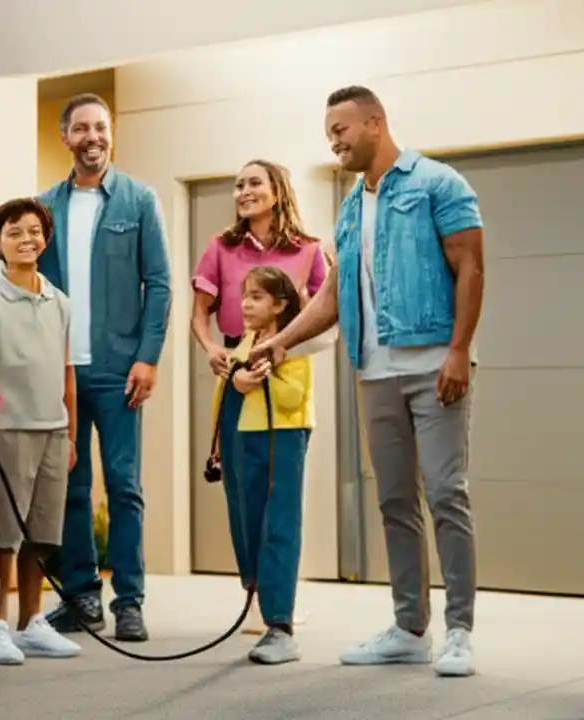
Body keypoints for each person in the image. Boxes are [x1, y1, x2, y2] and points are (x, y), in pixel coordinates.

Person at [251, 85, 485, 677]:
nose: (334, 141)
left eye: (341, 129)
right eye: (328, 133)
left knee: (446, 493)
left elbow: (471, 266)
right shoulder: (352, 206)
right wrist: (279, 341)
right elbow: (332, 295)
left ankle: (460, 632)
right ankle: (409, 629)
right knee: (394, 500)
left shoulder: (438, 184)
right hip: (374, 372)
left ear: (375, 123)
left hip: (433, 365)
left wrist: (459, 351)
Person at [35, 93, 172, 642]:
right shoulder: (45, 207)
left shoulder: (139, 200)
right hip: (63, 372)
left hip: (120, 372)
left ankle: (130, 602)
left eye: (101, 127)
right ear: (65, 137)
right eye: (82, 129)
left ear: (110, 133)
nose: (93, 137)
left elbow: (159, 284)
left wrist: (147, 357)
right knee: (70, 485)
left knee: (124, 487)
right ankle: (81, 598)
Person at [190, 159, 330, 635]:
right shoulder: (220, 247)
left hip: (287, 368)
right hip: (236, 368)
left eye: (254, 183)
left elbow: (326, 315)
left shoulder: (309, 250)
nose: (243, 191)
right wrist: (214, 352)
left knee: (281, 499)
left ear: (278, 191)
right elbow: (200, 313)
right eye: (238, 185)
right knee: (241, 497)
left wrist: (282, 353)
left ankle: (277, 601)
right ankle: (253, 592)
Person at [0, 197, 82, 665]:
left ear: (45, 239)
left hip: (54, 432)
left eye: (33, 231)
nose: (26, 239)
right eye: (14, 232)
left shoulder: (60, 302)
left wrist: (70, 433)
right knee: (5, 535)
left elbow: (67, 371)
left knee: (42, 533)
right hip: (7, 432)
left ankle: (32, 623)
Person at [208, 266, 314, 665]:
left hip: (280, 436)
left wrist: (261, 378)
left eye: (256, 297)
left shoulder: (294, 345)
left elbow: (292, 397)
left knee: (278, 523)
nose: (245, 305)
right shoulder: (245, 342)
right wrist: (235, 377)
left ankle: (280, 624)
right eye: (244, 296)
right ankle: (258, 597)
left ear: (280, 305)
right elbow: (228, 389)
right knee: (246, 519)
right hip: (242, 438)